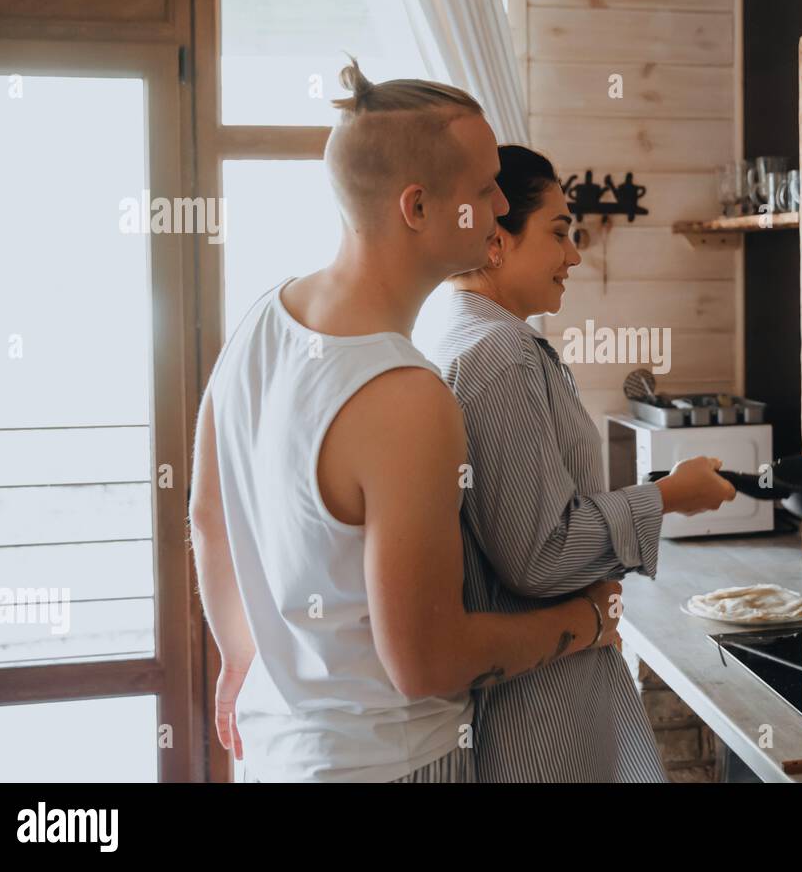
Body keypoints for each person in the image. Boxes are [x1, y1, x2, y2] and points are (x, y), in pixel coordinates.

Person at [188, 64, 620, 782]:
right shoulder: (407, 397)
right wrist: (586, 624)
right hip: (389, 764)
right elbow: (426, 662)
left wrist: (243, 656)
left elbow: (208, 518)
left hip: (277, 754)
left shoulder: (260, 321)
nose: (498, 206)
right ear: (418, 207)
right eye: (485, 189)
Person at [435, 144, 736, 781]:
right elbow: (539, 554)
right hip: (541, 708)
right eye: (558, 232)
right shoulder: (503, 353)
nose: (573, 255)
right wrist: (668, 496)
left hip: (528, 683)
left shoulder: (457, 331)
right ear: (496, 240)